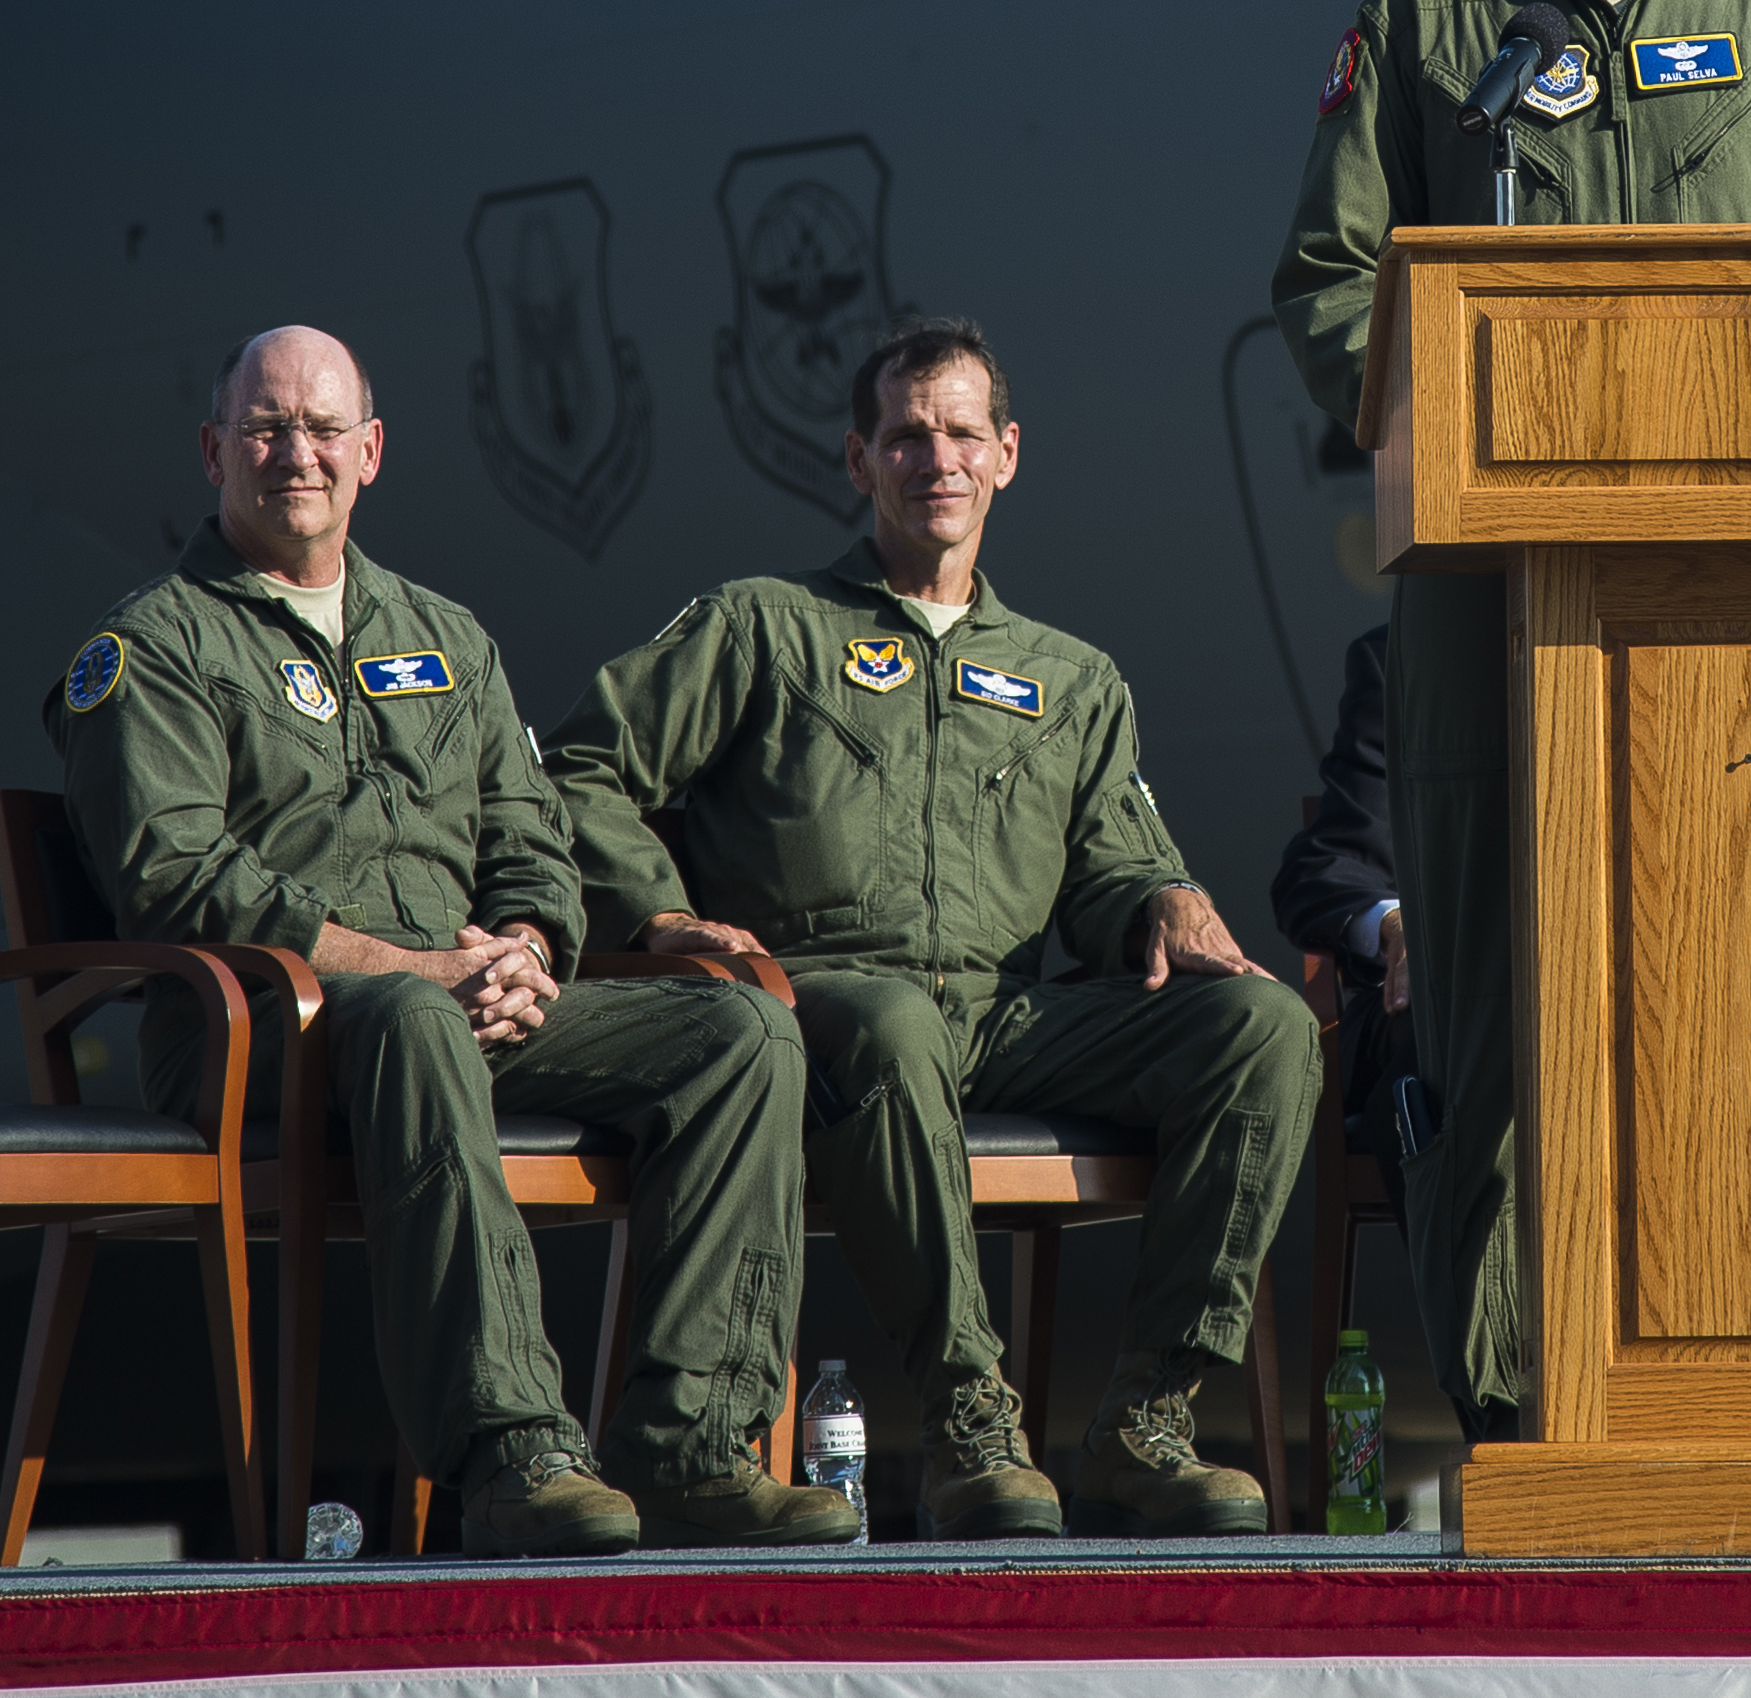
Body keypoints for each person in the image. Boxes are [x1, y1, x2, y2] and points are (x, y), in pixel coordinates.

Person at [1269, 0, 1751, 1436]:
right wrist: (1448, 415)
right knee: (1491, 1027)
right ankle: (1526, 1416)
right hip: (1491, 610)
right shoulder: (1427, 20)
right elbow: (1326, 279)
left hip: (1741, 613)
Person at [51, 326, 844, 1557]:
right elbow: (179, 878)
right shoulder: (154, 646)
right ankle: (513, 1448)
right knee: (419, 1020)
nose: (294, 453)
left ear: (369, 452)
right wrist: (423, 972)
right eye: (265, 428)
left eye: (322, 429)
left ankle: (693, 1447)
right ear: (215, 451)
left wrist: (527, 947)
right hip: (259, 1027)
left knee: (739, 1029)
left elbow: (531, 839)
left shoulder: (448, 636)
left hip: (456, 1005)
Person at [549, 315, 1319, 1540]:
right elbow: (581, 765)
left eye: (963, 432)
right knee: (896, 1018)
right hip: (820, 1007)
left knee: (1264, 1027)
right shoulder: (764, 625)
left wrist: (1158, 897)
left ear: (1008, 454)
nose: (937, 458)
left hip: (1006, 1013)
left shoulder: (1073, 677)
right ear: (857, 460)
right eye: (906, 434)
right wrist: (659, 914)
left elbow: (1109, 876)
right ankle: (970, 1418)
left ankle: (1146, 1421)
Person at [1265, 628, 1423, 1204]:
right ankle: (1494, 1294)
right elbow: (1326, 869)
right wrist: (1402, 926)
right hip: (1435, 1013)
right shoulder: (1410, 658)